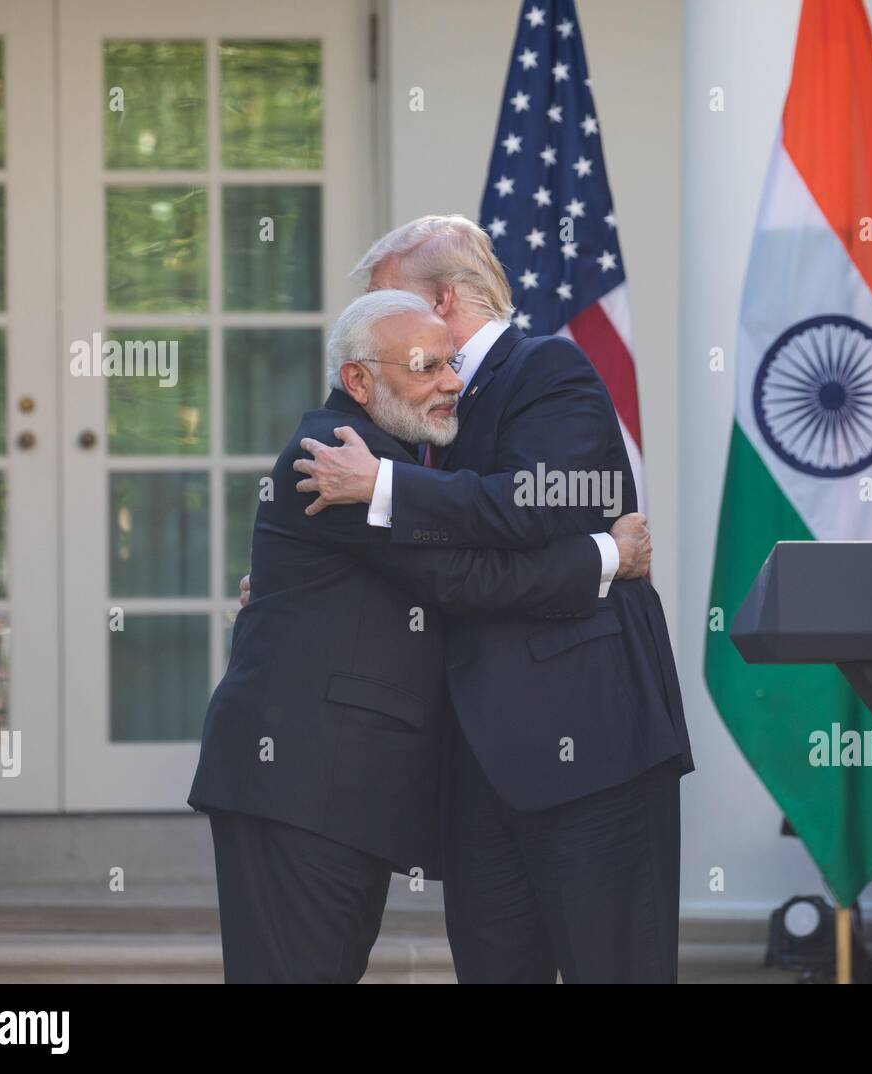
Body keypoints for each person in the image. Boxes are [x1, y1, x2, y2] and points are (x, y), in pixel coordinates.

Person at [188, 289, 652, 982]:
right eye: (425, 367)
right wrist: (607, 557)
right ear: (359, 381)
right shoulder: (340, 460)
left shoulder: (390, 459)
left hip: (337, 798)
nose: (450, 383)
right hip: (299, 788)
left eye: (449, 364)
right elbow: (467, 576)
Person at [293, 216, 694, 983]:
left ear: (441, 302)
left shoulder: (551, 371)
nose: (366, 330)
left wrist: (386, 486)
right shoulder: (407, 406)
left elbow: (529, 507)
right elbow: (434, 566)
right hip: (473, 764)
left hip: (590, 744)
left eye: (383, 306)